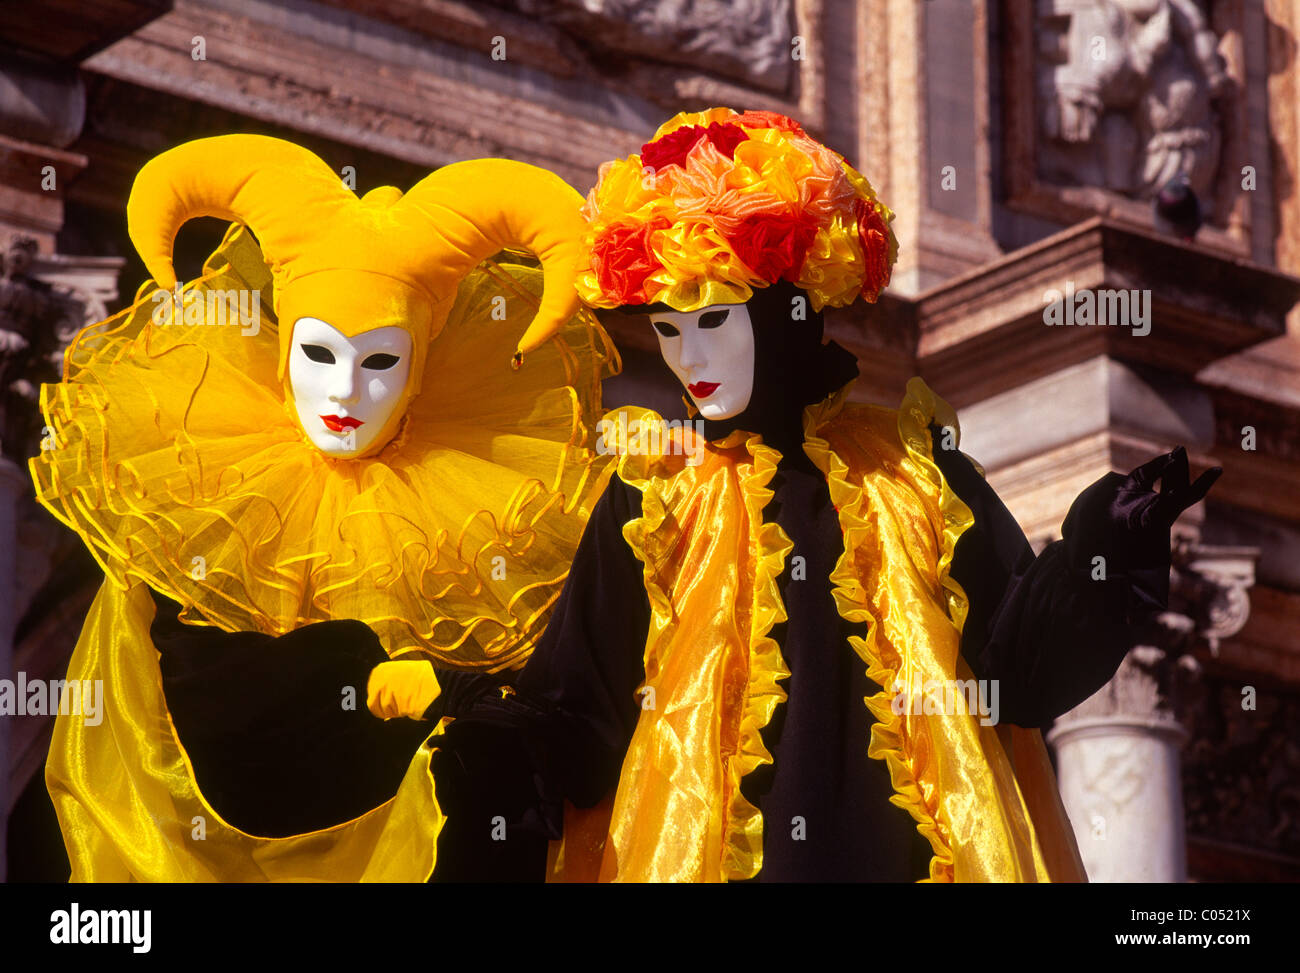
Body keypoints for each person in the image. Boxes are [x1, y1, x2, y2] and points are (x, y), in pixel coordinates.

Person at [409, 107, 1221, 882]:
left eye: (714, 320)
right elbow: (579, 706)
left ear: (788, 309)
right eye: (667, 327)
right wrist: (496, 763)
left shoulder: (913, 470)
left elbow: (1016, 672)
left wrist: (1100, 559)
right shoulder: (650, 488)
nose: (688, 356)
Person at [30, 135, 616, 881]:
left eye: (379, 363)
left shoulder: (493, 512)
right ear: (283, 352)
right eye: (318, 354)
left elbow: (547, 719)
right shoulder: (189, 491)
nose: (343, 393)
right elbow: (138, 712)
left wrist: (457, 688)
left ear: (420, 368)